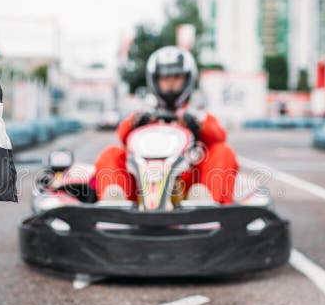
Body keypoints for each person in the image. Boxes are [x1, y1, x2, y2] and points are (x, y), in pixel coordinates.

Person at [94, 46, 238, 204]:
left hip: (187, 181)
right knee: (111, 153)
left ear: (187, 79)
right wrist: (137, 124)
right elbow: (122, 135)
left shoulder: (196, 112)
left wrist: (196, 125)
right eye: (164, 78)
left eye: (176, 77)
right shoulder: (146, 111)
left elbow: (219, 135)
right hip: (143, 179)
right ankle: (114, 203)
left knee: (222, 151)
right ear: (155, 80)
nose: (170, 82)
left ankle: (208, 204)